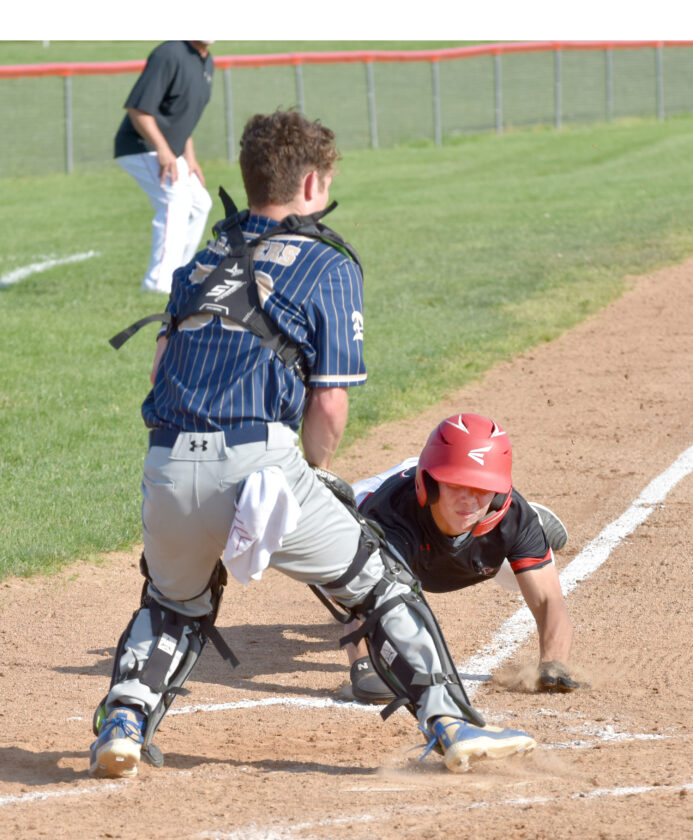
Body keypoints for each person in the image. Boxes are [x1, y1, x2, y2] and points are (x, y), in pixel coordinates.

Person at [90, 110, 537, 780]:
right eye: (325, 180)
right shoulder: (326, 261)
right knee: (382, 583)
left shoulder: (201, 259)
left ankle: (123, 723)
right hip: (258, 460)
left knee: (173, 601)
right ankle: (451, 723)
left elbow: (160, 374)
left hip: (167, 461)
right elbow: (328, 402)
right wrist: (315, 470)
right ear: (308, 184)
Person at [341, 412, 580, 704]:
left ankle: (533, 535)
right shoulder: (388, 517)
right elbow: (364, 600)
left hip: (479, 544)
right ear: (430, 484)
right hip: (390, 529)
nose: (469, 499)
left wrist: (554, 662)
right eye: (456, 484)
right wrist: (365, 665)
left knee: (519, 573)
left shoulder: (513, 518)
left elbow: (548, 601)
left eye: (482, 489)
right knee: (341, 573)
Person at [115, 40, 215, 294]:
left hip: (171, 150)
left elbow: (182, 116)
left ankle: (180, 276)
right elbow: (138, 109)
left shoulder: (206, 61)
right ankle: (158, 285)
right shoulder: (169, 54)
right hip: (141, 146)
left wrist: (189, 156)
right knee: (175, 200)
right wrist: (162, 149)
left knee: (200, 204)